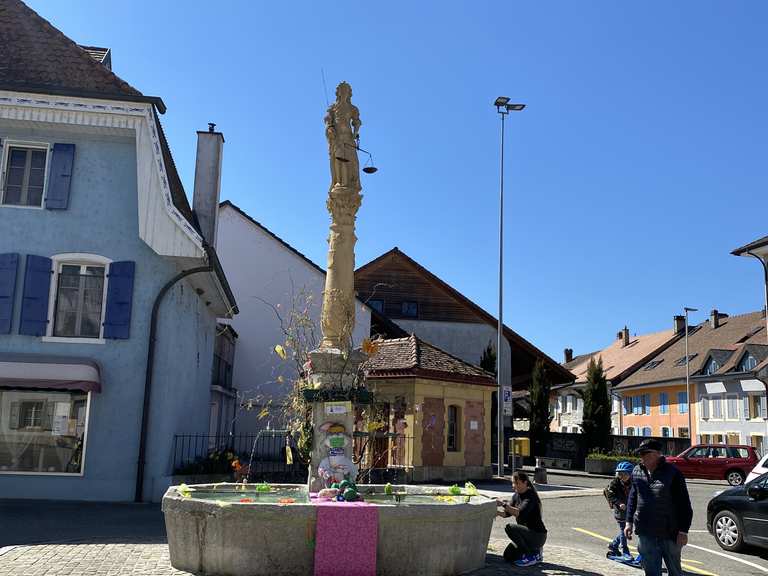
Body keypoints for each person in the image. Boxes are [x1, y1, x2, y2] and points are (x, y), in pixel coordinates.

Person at [624, 439, 693, 576]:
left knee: (675, 571)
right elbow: (633, 497)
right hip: (645, 531)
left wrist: (683, 531)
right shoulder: (637, 471)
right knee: (651, 571)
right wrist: (628, 522)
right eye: (641, 454)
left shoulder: (673, 473)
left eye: (645, 454)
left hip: (669, 532)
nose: (642, 457)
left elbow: (684, 504)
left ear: (656, 454)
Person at [496, 470, 547, 567]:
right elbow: (506, 514)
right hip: (526, 535)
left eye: (516, 483)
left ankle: (532, 556)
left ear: (525, 483)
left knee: (510, 528)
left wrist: (503, 504)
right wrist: (495, 512)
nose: (514, 486)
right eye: (513, 483)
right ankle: (532, 552)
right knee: (508, 556)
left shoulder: (530, 496)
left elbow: (519, 513)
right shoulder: (516, 495)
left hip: (537, 536)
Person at [604, 461, 634, 560]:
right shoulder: (615, 483)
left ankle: (614, 545)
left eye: (624, 474)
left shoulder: (634, 482)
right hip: (619, 509)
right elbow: (610, 495)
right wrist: (619, 503)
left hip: (630, 508)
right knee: (623, 529)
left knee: (625, 530)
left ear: (630, 474)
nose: (622, 476)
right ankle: (625, 551)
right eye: (620, 474)